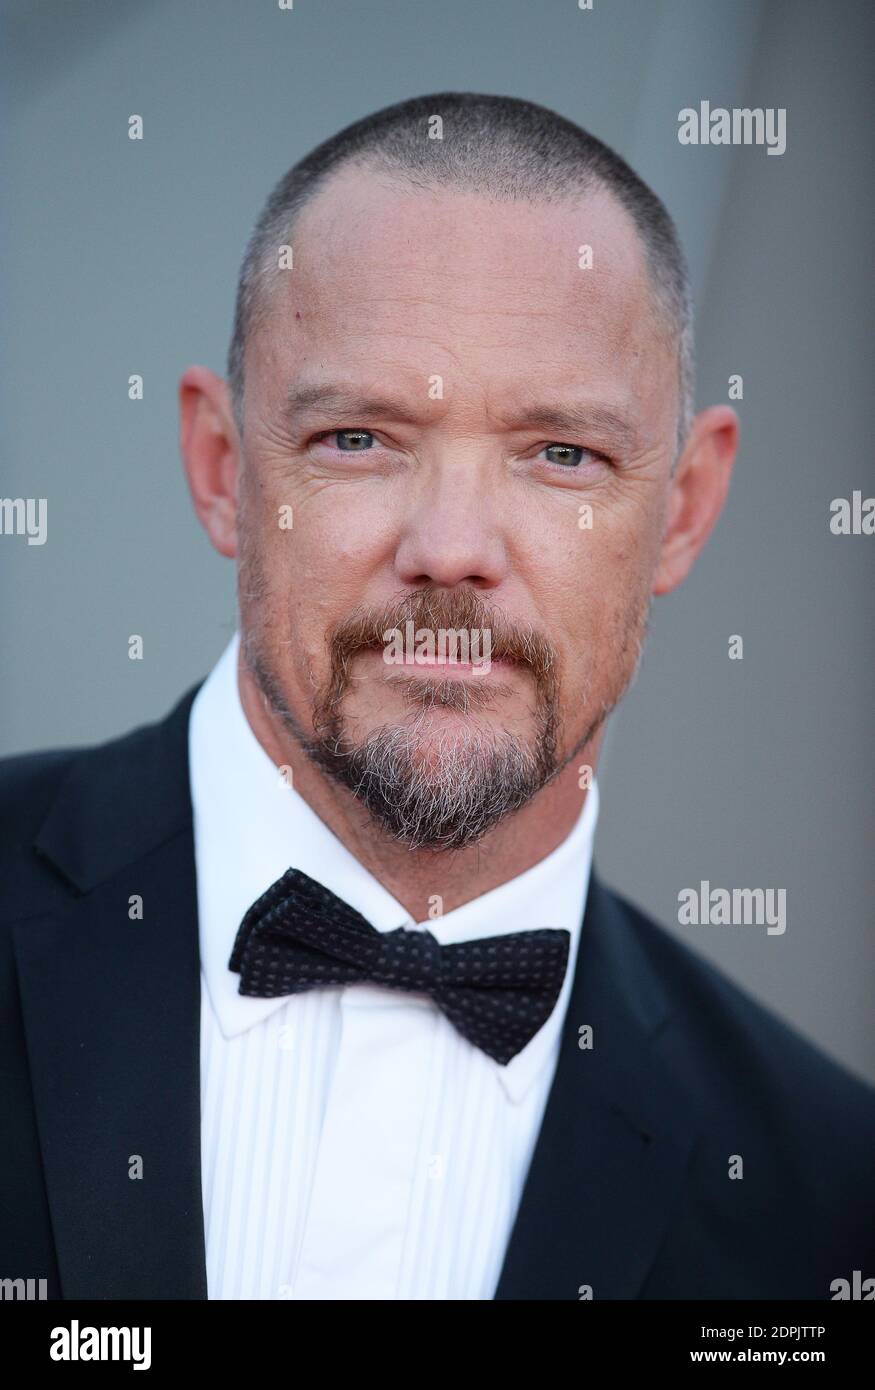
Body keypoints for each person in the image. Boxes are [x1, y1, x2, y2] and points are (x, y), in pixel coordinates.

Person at [2, 92, 872, 1301]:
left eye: (560, 453)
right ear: (221, 468)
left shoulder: (829, 1196)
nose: (452, 547)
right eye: (359, 437)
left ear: (678, 509)